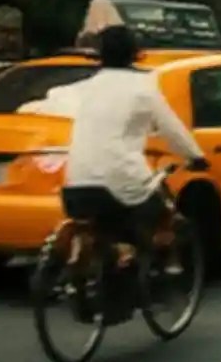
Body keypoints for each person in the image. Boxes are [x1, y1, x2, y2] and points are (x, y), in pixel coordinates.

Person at [62, 25, 209, 268]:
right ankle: (158, 264)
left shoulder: (85, 88)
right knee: (160, 211)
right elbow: (170, 128)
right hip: (122, 179)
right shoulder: (144, 87)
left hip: (76, 180)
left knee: (103, 225)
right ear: (136, 53)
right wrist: (195, 156)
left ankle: (99, 263)